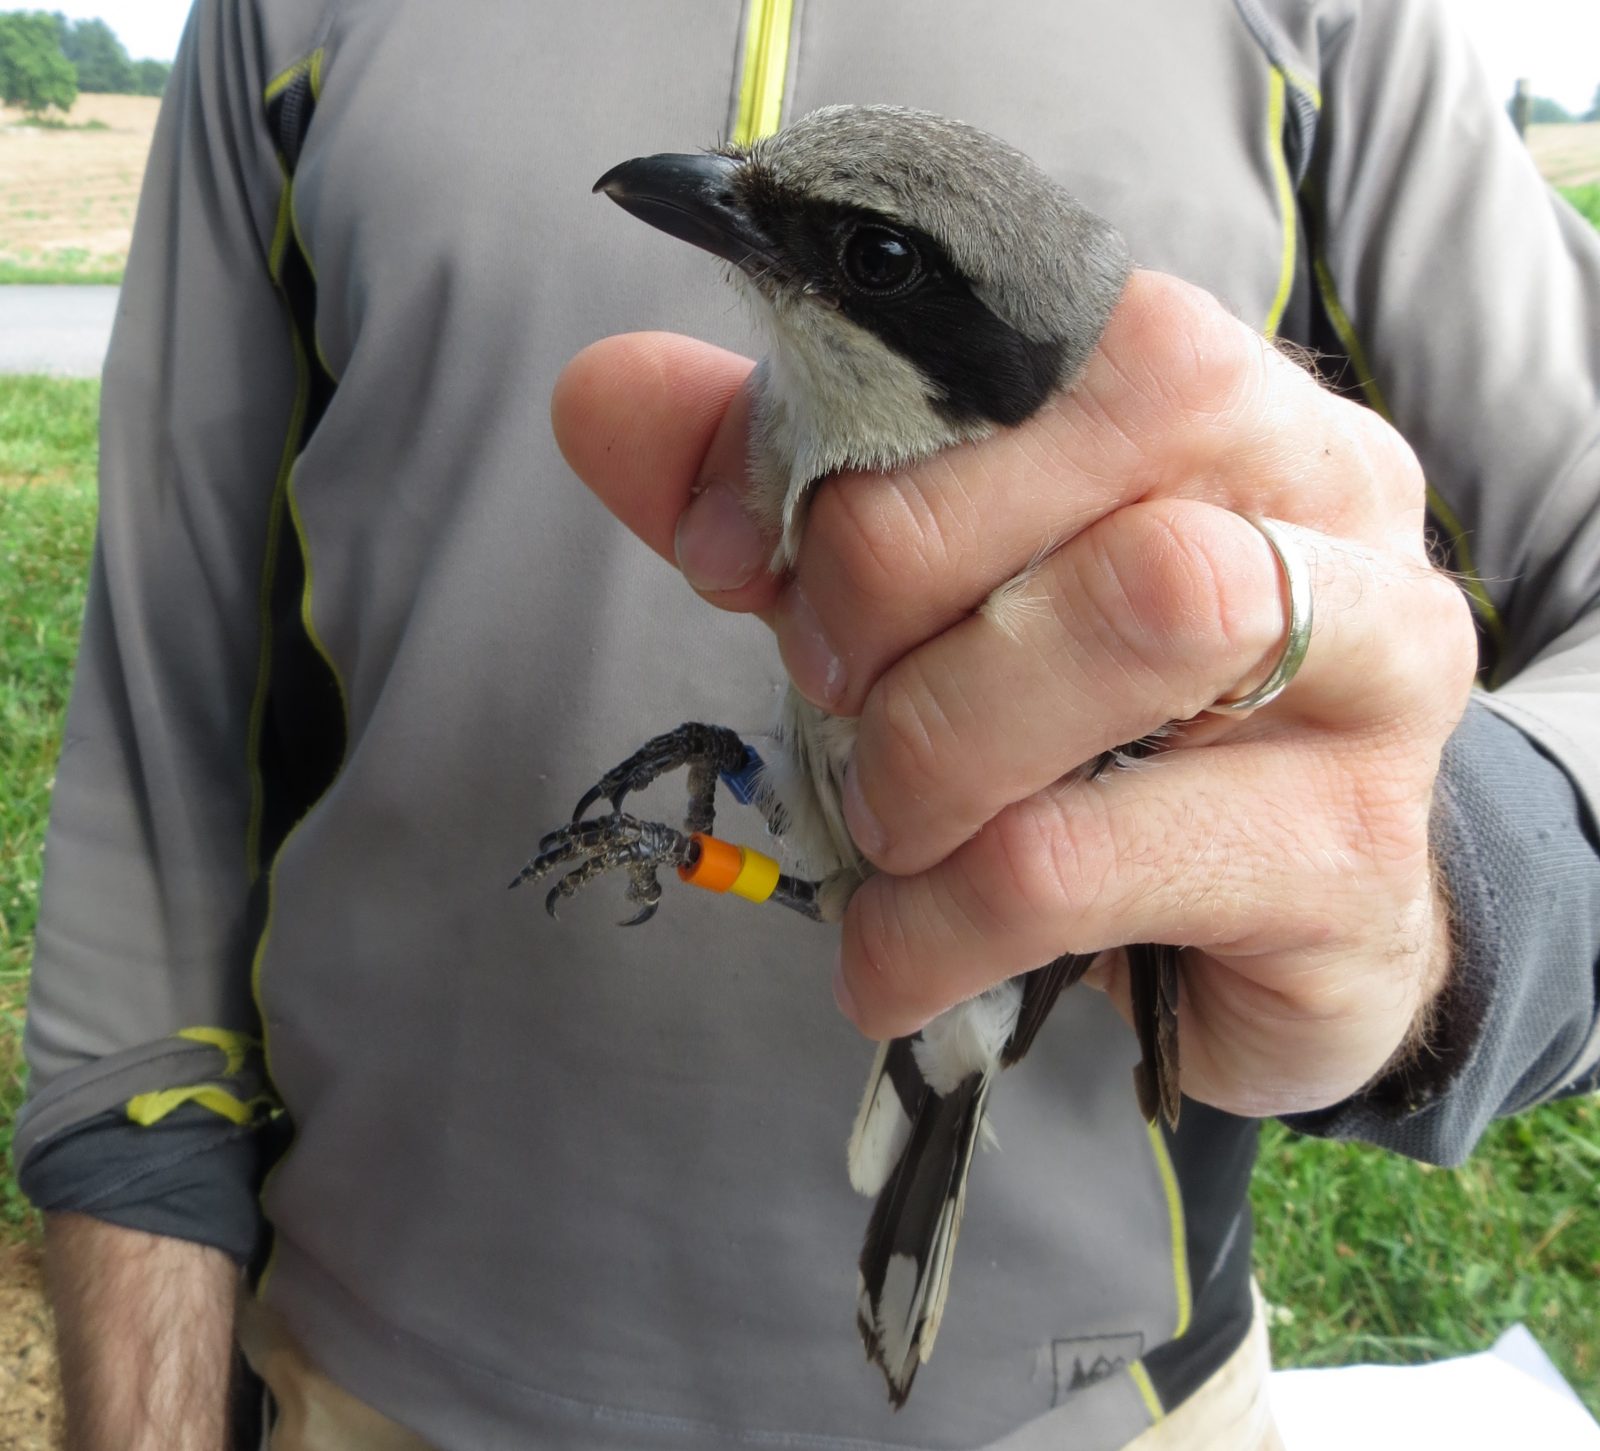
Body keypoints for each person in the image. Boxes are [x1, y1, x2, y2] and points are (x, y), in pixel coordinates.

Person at [16, 0, 1600, 1447]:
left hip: (1089, 1411)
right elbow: (158, 713)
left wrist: (1452, 870)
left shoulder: (1325, 27)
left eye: (863, 265)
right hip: (371, 1380)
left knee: (914, 949)